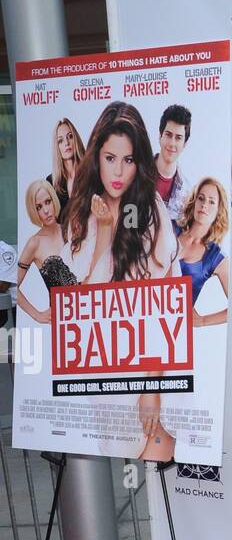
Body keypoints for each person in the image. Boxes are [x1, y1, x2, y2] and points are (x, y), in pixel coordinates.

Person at [61, 101, 182, 461]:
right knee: (115, 448)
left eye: (128, 160)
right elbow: (72, 297)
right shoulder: (81, 212)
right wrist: (101, 231)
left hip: (144, 364)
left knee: (161, 451)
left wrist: (151, 387)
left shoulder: (151, 211)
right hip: (100, 367)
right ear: (96, 156)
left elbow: (164, 304)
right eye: (110, 157)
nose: (118, 171)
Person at [171, 177, 230, 322]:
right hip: (145, 316)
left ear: (218, 211)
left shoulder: (215, 257)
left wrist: (202, 321)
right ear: (194, 202)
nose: (204, 205)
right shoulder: (171, 229)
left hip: (175, 330)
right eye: (201, 198)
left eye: (211, 202)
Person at [14, 181, 66, 322]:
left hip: (89, 311)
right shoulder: (34, 243)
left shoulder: (73, 231)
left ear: (54, 200)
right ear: (34, 211)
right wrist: (37, 315)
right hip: (61, 319)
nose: (46, 210)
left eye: (48, 202)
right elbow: (12, 285)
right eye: (39, 207)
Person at [154, 105, 192, 223]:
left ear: (185, 144)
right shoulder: (137, 175)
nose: (172, 143)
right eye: (168, 135)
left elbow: (182, 233)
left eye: (178, 138)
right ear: (160, 136)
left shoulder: (187, 193)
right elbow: (128, 223)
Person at [45, 116, 85, 225]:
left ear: (75, 139)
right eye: (60, 141)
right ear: (57, 147)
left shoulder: (92, 173)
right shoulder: (51, 182)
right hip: (64, 240)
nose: (66, 143)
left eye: (70, 136)